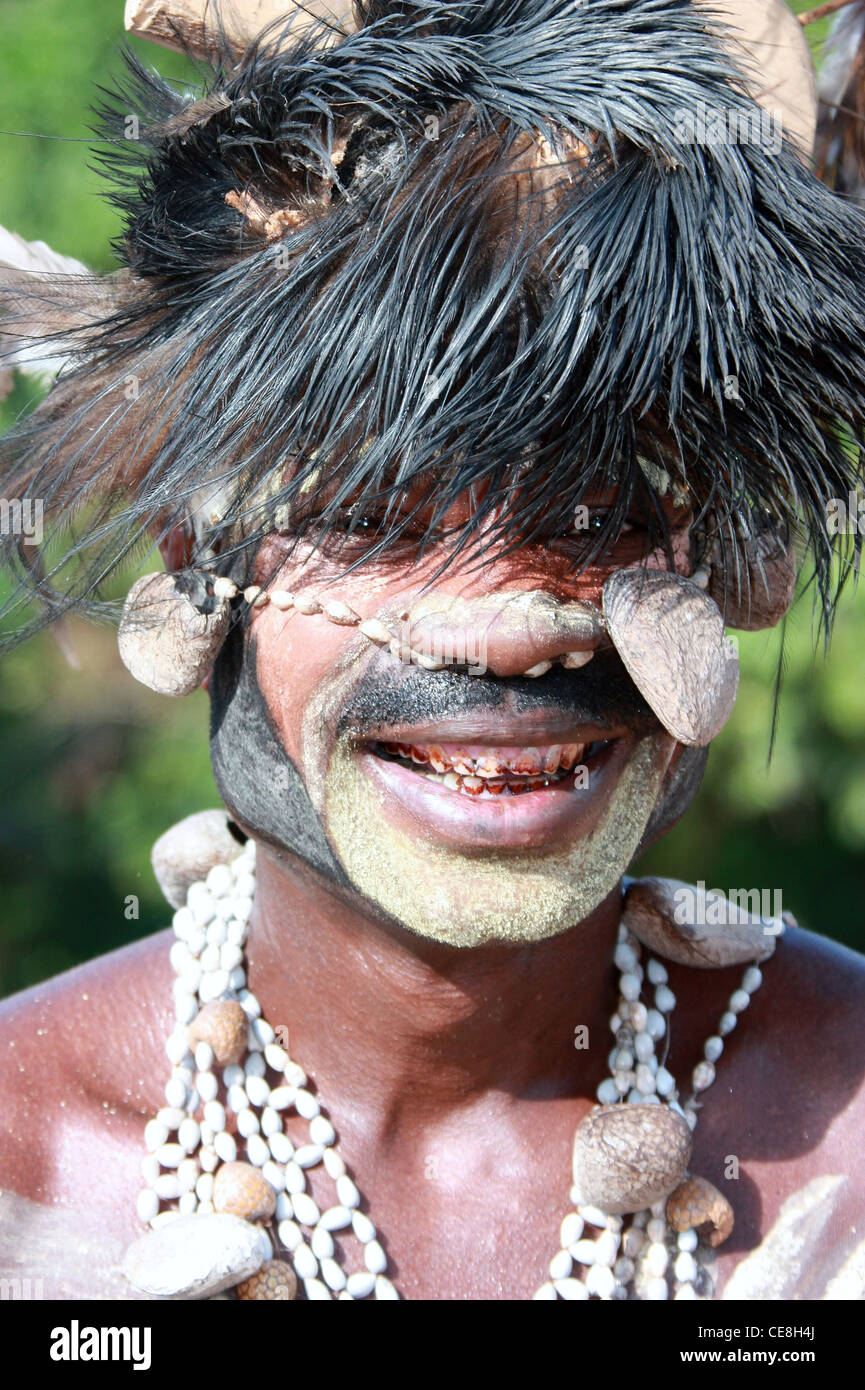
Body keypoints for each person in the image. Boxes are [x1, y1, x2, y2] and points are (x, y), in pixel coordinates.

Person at [0, 0, 863, 1302]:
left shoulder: (842, 1138)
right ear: (197, 558)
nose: (509, 624)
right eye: (372, 517)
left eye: (594, 511)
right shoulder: (31, 1156)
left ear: (723, 557)